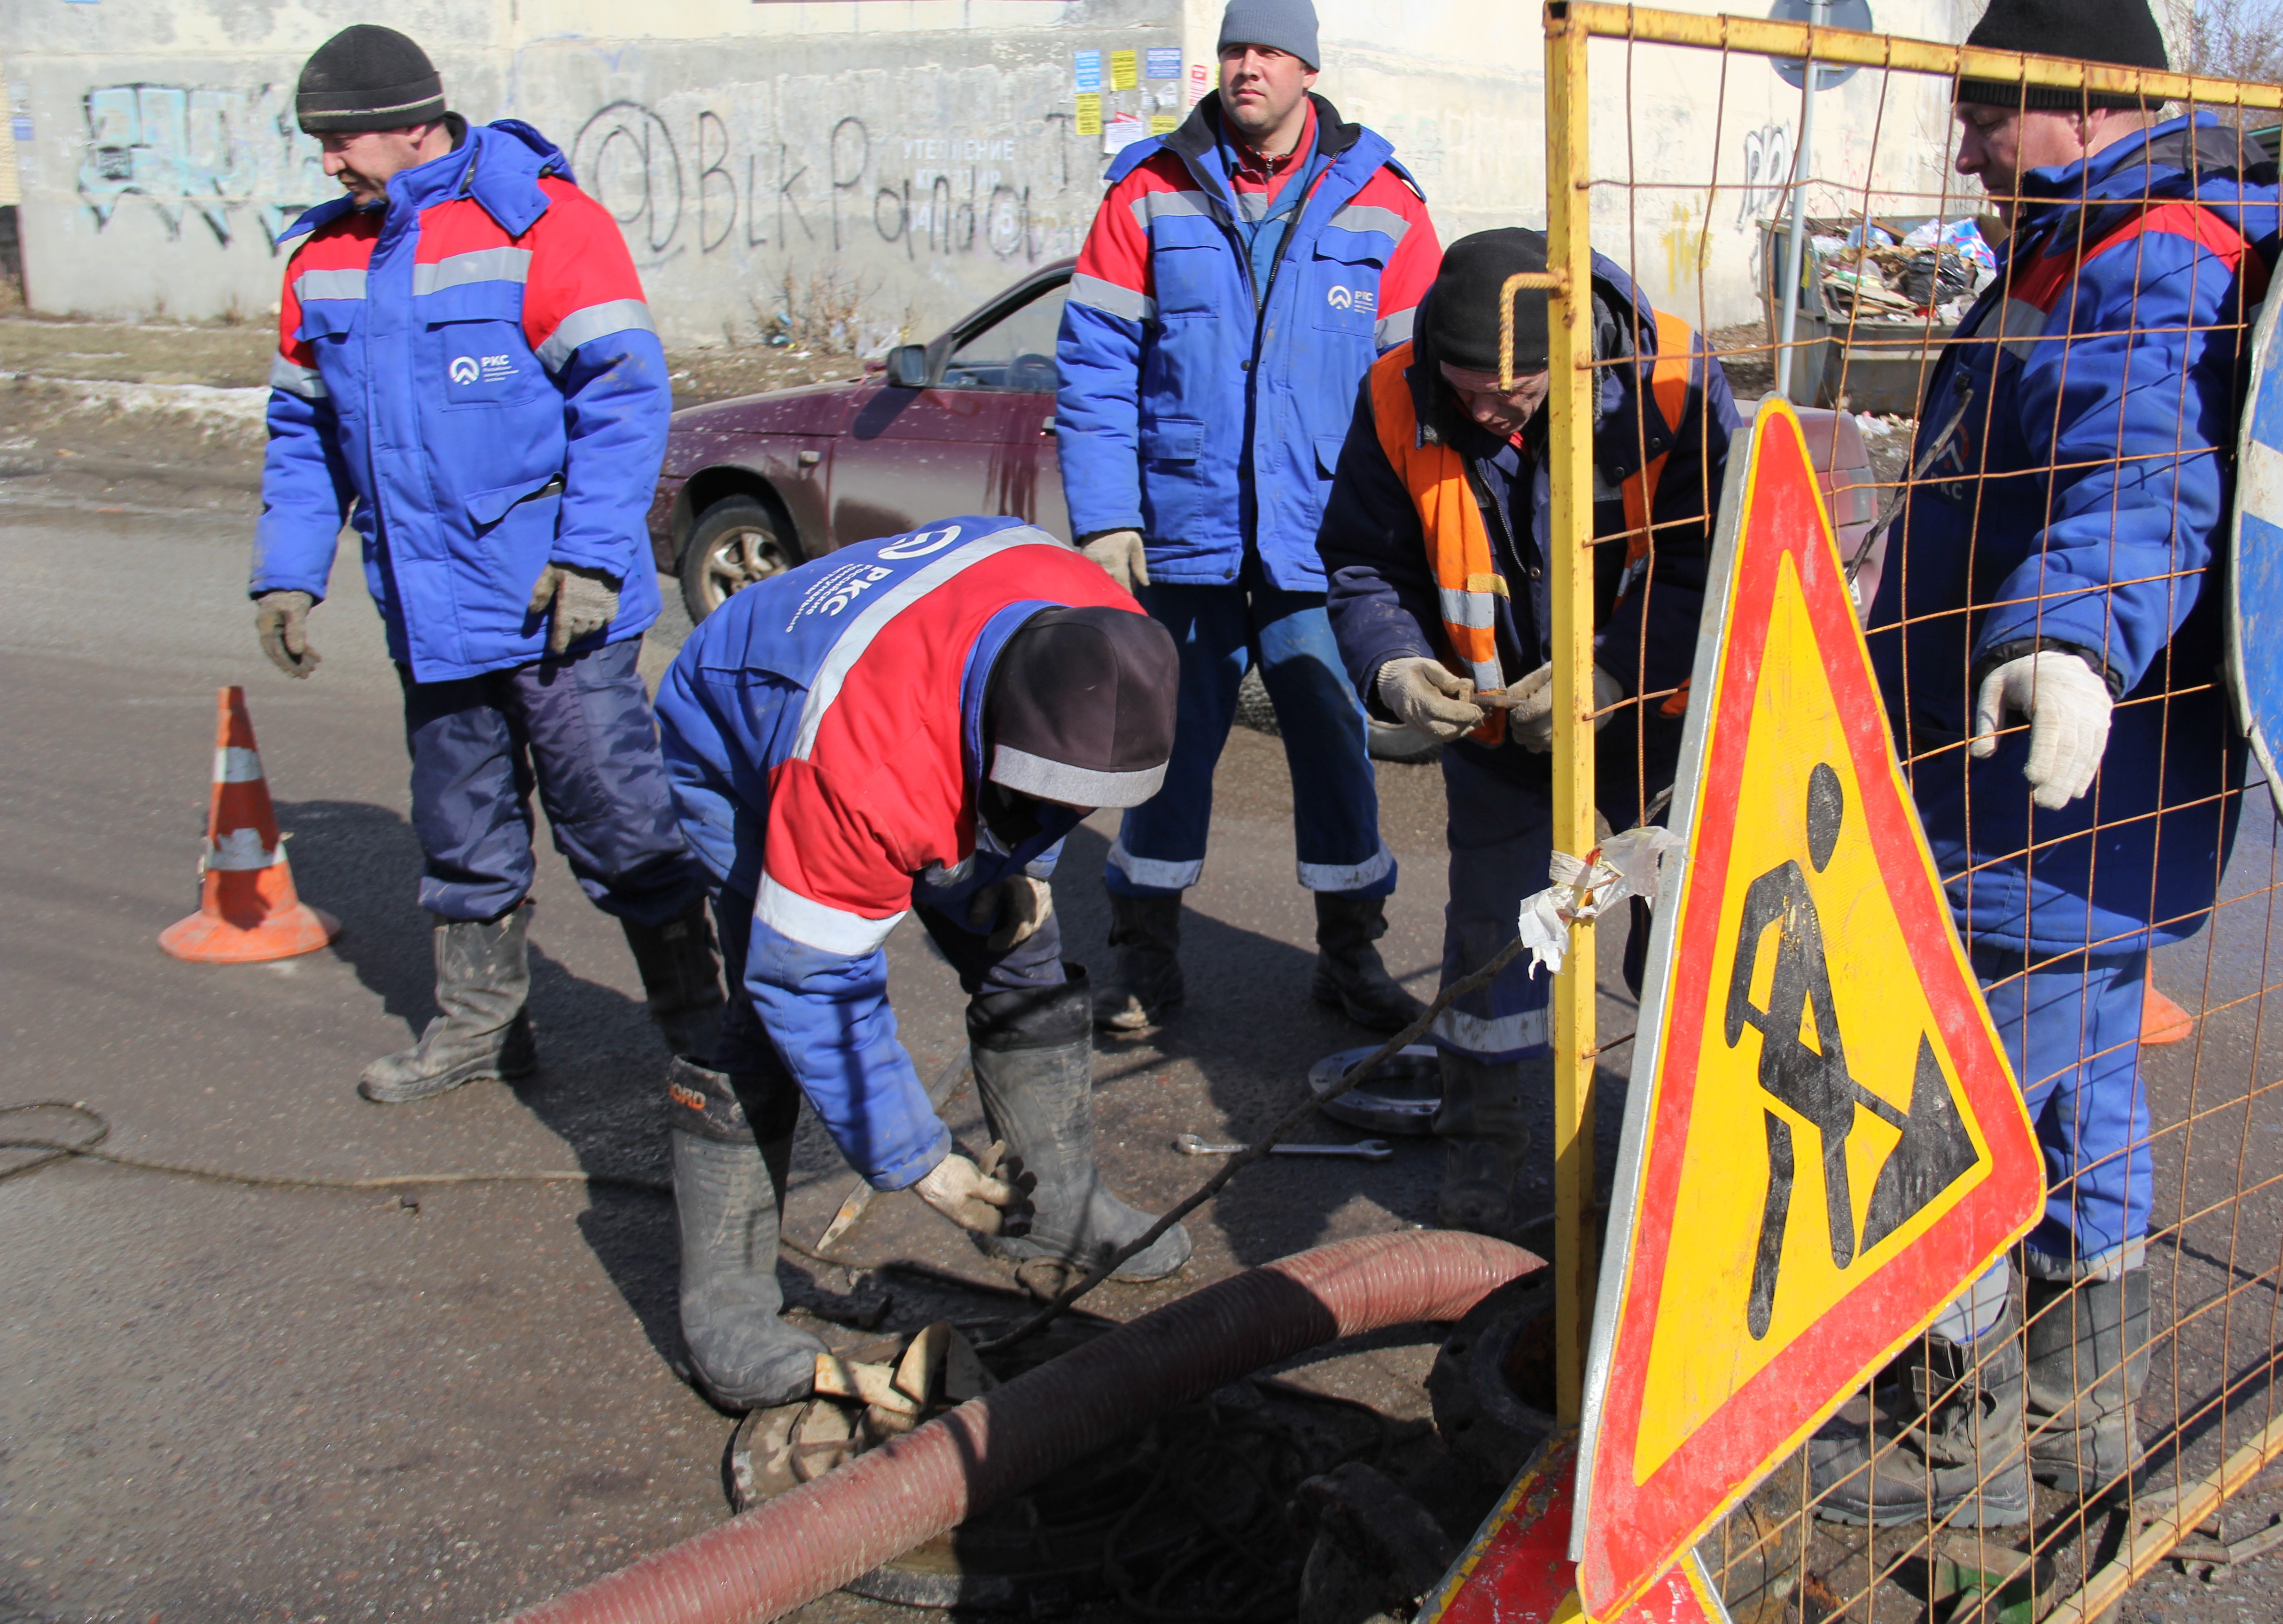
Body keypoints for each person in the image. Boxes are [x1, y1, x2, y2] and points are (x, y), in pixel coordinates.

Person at [1807, 0, 2283, 1526]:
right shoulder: (2075, 244)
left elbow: (2143, 473)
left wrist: (2074, 648)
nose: (1960, 144)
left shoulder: (2145, 256)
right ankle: (2082, 1436)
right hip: (2079, 828)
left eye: (1983, 111)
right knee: (2081, 1117)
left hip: (2039, 809)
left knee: (1950, 1125)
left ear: (2085, 103)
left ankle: (1948, 1455)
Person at [248, 26, 718, 1102]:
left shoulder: (542, 219)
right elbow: (302, 430)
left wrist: (595, 559)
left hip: (557, 611)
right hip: (429, 612)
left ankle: (705, 1034)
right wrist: (287, 571)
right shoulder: (324, 258)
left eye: (342, 139)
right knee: (461, 828)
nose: (327, 162)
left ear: (416, 122)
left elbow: (623, 397)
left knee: (622, 827)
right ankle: (480, 1031)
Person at [654, 516, 1191, 1410]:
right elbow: (812, 984)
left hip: (931, 686)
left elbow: (1071, 775)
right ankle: (728, 1306)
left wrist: (1030, 870)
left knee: (1022, 949)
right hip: (745, 726)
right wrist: (915, 1159)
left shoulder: (1108, 634)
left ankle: (1052, 1216)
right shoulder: (864, 769)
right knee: (764, 1011)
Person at [1318, 229, 1738, 1231]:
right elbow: (1363, 565)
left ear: (1569, 352)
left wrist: (1609, 674)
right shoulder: (1395, 394)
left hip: (1659, 734)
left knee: (1685, 953)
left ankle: (1700, 1185)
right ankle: (1500, 1185)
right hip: (1506, 753)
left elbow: (1707, 570)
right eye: (1463, 390)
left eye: (1511, 394)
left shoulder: (1669, 387)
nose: (1485, 414)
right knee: (1504, 958)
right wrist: (1394, 664)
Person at [1056, 0, 1443, 1035]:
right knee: (1164, 752)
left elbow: (1421, 392)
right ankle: (1143, 959)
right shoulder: (1147, 190)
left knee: (1334, 747)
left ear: (1307, 68)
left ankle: (1351, 953)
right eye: (1233, 49)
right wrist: (1105, 517)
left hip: (1324, 543)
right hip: (1185, 539)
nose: (1245, 68)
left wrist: (1409, 543)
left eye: (1267, 50)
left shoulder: (1386, 205)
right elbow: (1095, 367)